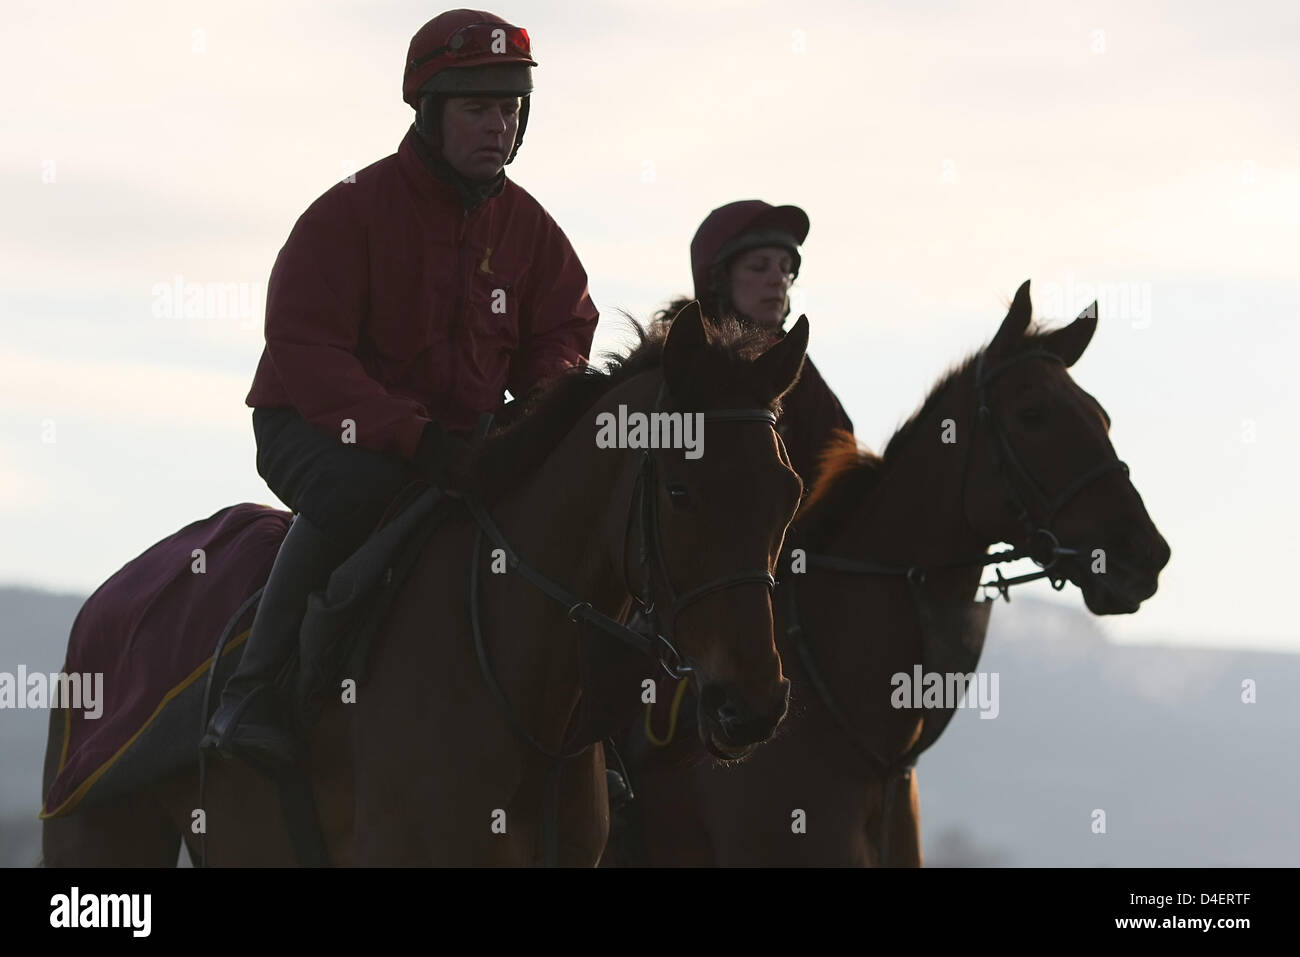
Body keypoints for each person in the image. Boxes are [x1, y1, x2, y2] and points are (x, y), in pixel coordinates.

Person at [201, 9, 599, 771]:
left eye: (509, 109)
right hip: (317, 429)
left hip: (460, 445)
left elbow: (563, 333)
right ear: (429, 112)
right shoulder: (348, 213)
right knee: (373, 494)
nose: (498, 127)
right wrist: (415, 438)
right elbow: (308, 350)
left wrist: (537, 414)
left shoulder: (534, 233)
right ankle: (253, 690)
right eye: (478, 108)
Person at [656, 201, 853, 488]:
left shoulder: (798, 370)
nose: (777, 280)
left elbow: (840, 462)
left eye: (785, 268)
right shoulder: (672, 370)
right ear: (718, 281)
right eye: (759, 267)